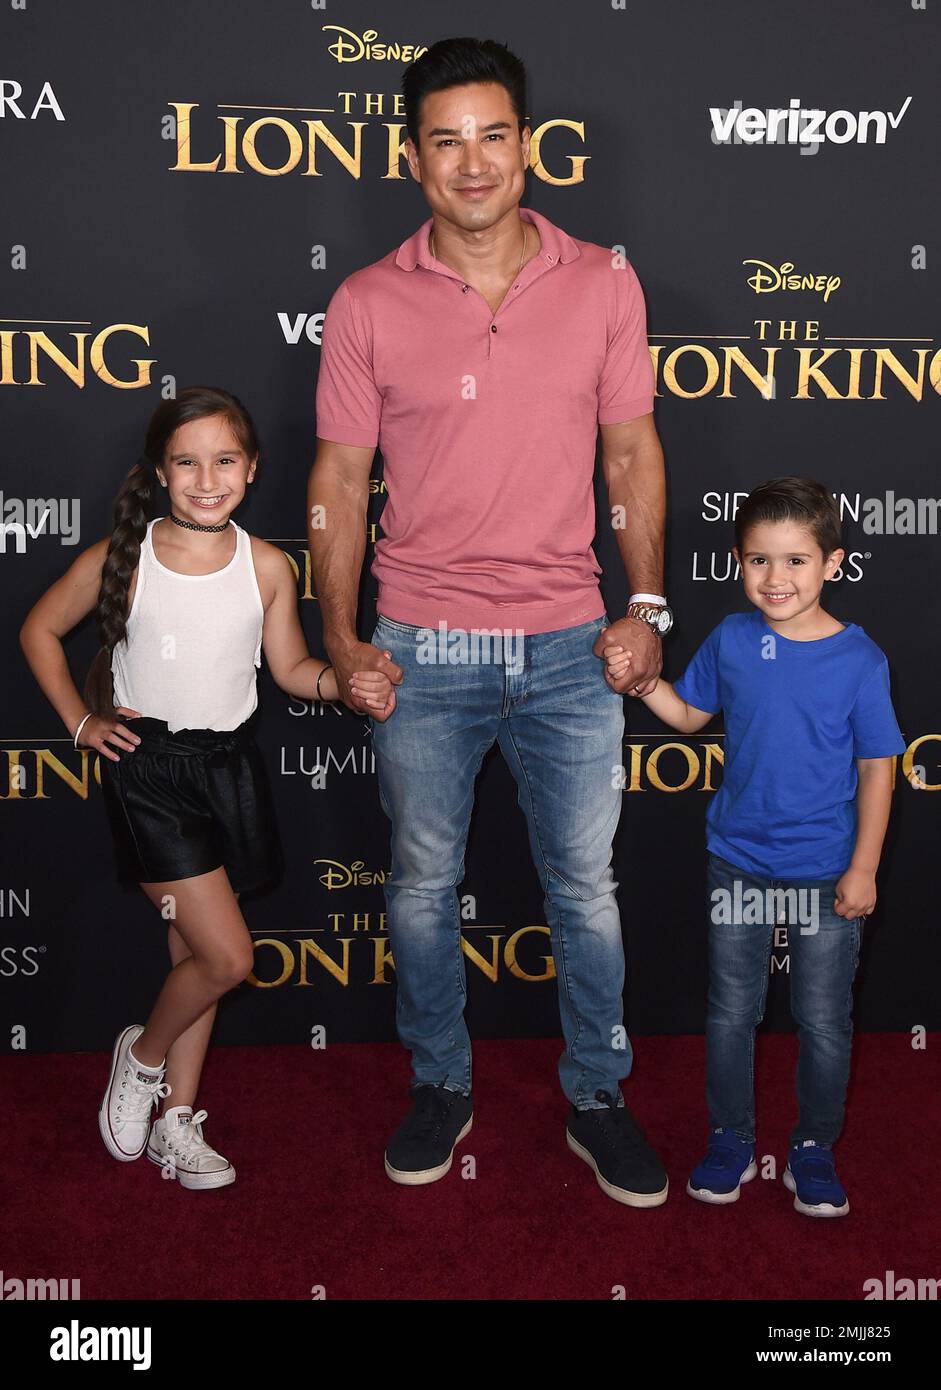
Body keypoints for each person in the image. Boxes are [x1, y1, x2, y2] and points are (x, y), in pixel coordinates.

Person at [309, 37, 675, 1206]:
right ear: (412, 157)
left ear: (526, 144)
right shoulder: (365, 299)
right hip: (419, 643)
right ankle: (440, 1083)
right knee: (420, 884)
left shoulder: (606, 281)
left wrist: (647, 604)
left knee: (584, 887)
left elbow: (629, 452)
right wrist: (341, 638)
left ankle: (597, 1095)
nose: (472, 163)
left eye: (493, 135)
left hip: (569, 639)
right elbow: (336, 480)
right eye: (445, 139)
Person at [20, 386, 395, 1191]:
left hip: (230, 769)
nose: (205, 478)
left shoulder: (265, 564)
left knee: (192, 950)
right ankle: (143, 1057)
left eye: (224, 460)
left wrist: (346, 685)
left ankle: (177, 1124)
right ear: (160, 471)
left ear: (251, 470)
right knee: (230, 957)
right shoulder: (128, 554)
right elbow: (38, 630)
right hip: (148, 772)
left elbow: (291, 669)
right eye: (186, 462)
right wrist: (82, 725)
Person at [603, 476, 906, 1217]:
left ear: (833, 563)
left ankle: (812, 1148)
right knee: (731, 1011)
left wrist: (862, 866)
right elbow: (684, 716)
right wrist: (639, 678)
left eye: (796, 561)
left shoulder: (859, 660)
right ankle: (730, 1138)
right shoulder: (732, 640)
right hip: (735, 860)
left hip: (827, 870)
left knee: (821, 1019)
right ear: (739, 563)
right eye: (758, 561)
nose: (776, 579)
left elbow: (878, 769)